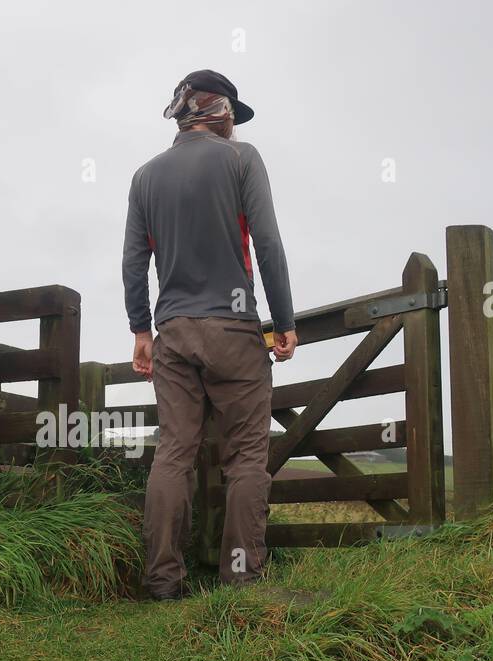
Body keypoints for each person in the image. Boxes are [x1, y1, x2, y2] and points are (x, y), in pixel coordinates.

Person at [122, 69, 297, 599]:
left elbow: (134, 261)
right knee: (245, 456)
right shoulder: (243, 161)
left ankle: (162, 580)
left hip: (173, 331)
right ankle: (241, 578)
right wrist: (284, 321)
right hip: (234, 327)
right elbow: (266, 243)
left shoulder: (145, 177)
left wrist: (140, 328)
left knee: (173, 452)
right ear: (219, 113)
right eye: (232, 119)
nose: (235, 129)